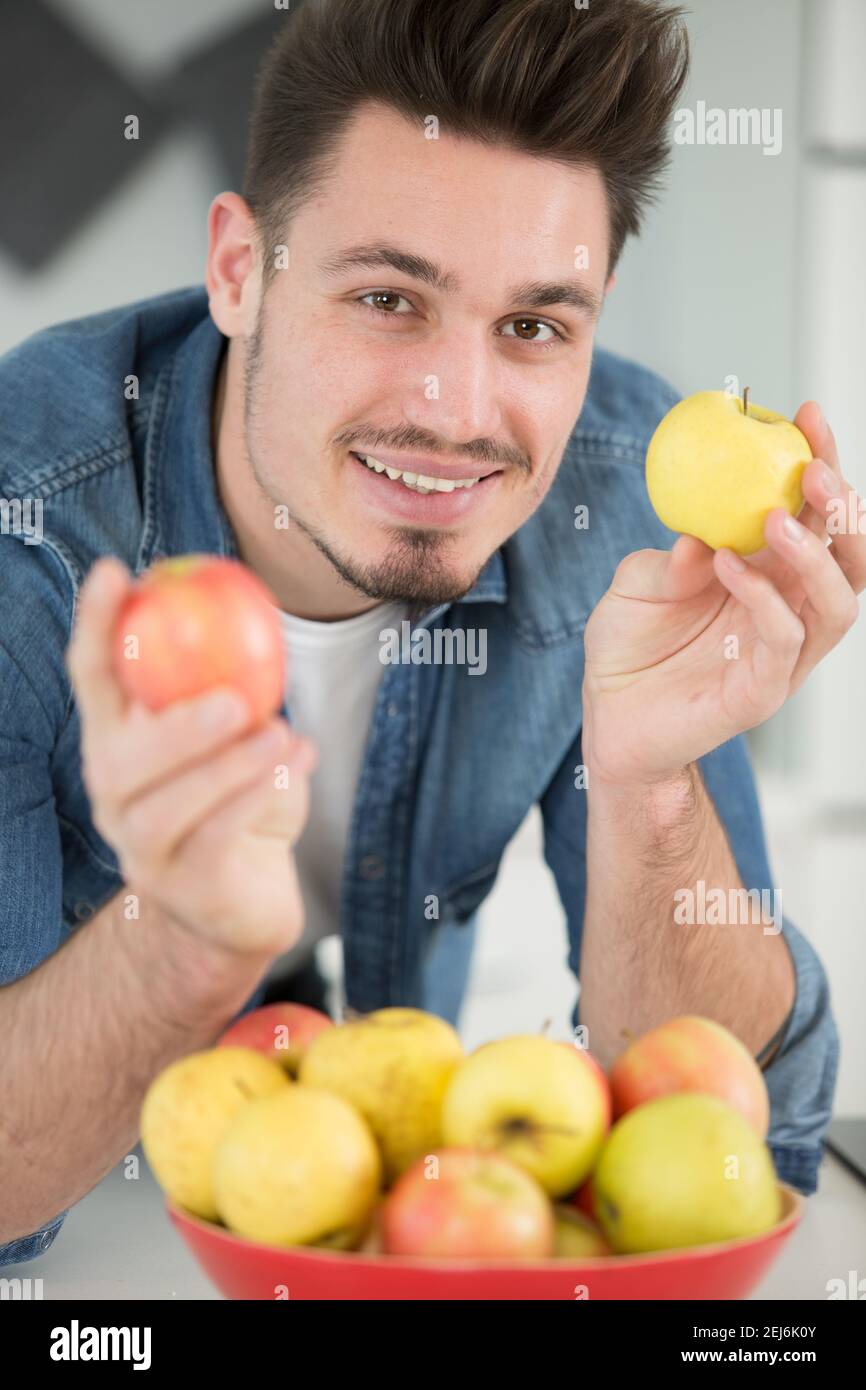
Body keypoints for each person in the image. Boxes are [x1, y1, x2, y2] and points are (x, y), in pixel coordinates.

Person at [1, 0, 860, 1267]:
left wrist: (649, 786)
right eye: (389, 298)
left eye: (531, 326)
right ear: (239, 269)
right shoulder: (28, 531)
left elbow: (732, 1155)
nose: (458, 411)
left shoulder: (624, 513)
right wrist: (180, 936)